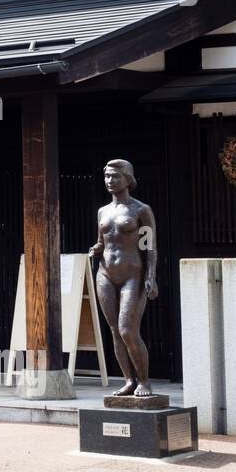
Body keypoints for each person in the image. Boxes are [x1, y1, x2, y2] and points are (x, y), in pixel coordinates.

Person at [88, 158, 157, 397]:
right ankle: (129, 380)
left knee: (128, 330)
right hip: (105, 274)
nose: (109, 181)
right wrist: (96, 249)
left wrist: (151, 275)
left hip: (132, 276)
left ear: (127, 179)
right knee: (115, 330)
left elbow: (149, 246)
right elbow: (101, 241)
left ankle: (144, 381)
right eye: (107, 176)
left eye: (115, 176)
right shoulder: (102, 211)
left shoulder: (141, 210)